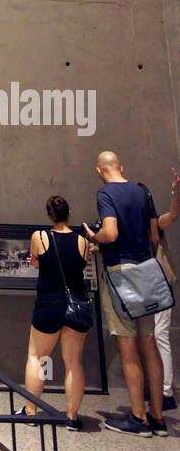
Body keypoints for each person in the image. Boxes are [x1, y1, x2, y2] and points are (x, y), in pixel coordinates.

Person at [83, 150, 165, 436]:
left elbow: (111, 232)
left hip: (120, 273)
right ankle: (158, 417)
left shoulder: (105, 193)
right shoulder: (141, 192)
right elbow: (154, 233)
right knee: (150, 344)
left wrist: (94, 237)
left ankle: (138, 418)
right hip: (146, 271)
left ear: (99, 170)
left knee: (128, 346)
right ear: (122, 166)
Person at [16, 196, 92, 431]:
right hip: (76, 305)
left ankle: (31, 412)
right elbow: (80, 266)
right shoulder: (82, 242)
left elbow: (36, 261)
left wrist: (39, 263)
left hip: (49, 304)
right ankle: (72, 418)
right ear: (69, 213)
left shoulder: (40, 237)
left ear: (50, 216)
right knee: (73, 363)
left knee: (37, 357)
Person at [148, 166, 179, 411]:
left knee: (160, 335)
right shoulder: (133, 226)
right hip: (146, 287)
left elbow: (172, 216)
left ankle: (166, 391)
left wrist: (175, 192)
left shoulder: (154, 223)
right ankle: (159, 387)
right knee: (152, 336)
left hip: (160, 285)